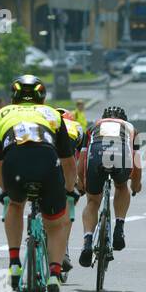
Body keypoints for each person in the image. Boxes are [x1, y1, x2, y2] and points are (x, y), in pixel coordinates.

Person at [0, 75, 78, 292]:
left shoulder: (0, 115)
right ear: (42, 97)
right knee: (56, 224)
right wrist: (69, 191)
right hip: (47, 163)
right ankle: (54, 275)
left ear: (13, 96)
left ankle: (14, 263)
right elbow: (69, 163)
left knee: (15, 206)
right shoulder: (53, 115)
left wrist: (7, 191)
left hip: (14, 165)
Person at [78, 105, 141, 269]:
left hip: (96, 154)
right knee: (121, 187)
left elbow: (82, 157)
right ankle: (119, 228)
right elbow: (136, 160)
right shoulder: (130, 128)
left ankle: (87, 241)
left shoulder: (93, 126)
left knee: (92, 202)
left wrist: (81, 182)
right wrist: (135, 184)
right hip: (120, 153)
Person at [57, 109, 88, 275]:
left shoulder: (43, 123)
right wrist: (77, 183)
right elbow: (75, 159)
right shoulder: (76, 127)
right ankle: (64, 249)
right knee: (69, 202)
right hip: (66, 162)